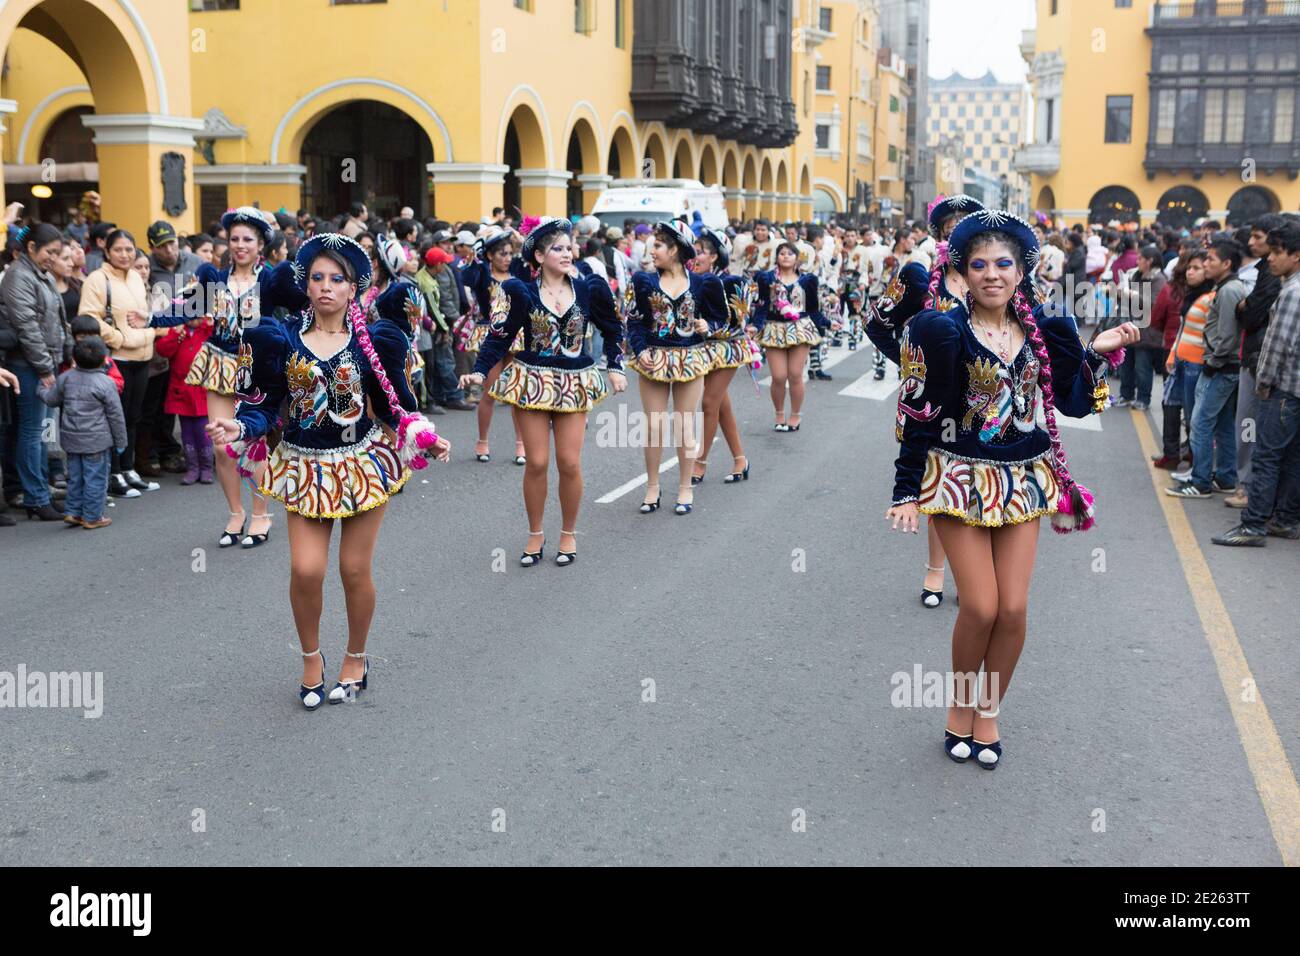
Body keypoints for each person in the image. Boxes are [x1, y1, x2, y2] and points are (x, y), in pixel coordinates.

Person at [885, 209, 1139, 770]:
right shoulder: (942, 330)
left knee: (1015, 609)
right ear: (963, 273)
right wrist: (906, 491)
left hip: (1024, 479)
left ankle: (988, 711)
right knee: (979, 605)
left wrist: (1100, 351)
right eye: (979, 265)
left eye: (1003, 263)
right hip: (958, 478)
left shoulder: (1050, 332)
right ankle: (958, 708)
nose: (992, 274)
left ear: (1022, 271)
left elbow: (1072, 403)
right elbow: (921, 415)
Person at [207, 236, 449, 709]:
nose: (325, 287)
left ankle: (356, 657)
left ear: (354, 288)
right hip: (303, 467)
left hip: (361, 464)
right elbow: (265, 408)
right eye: (317, 278)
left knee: (354, 569)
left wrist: (422, 435)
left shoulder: (373, 342)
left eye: (336, 279)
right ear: (305, 284)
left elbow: (393, 406)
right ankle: (311, 659)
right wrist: (237, 425)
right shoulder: (280, 340)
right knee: (305, 569)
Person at [459, 217, 625, 564]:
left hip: (574, 381)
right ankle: (535, 534)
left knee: (569, 462)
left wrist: (614, 366)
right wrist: (478, 371)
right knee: (536, 462)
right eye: (557, 248)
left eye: (569, 247)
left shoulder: (589, 288)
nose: (567, 253)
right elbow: (500, 335)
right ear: (538, 255)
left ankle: (568, 534)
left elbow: (612, 329)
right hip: (533, 380)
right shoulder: (521, 291)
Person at [624, 219, 725, 516]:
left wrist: (710, 325)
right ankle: (652, 486)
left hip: (689, 357)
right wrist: (640, 350)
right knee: (654, 426)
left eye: (657, 245)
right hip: (654, 357)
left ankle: (685, 487)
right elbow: (635, 321)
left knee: (684, 426)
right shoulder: (644, 281)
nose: (651, 250)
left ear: (676, 250)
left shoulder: (704, 283)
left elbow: (721, 317)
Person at [1213, 221, 1300, 545]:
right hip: (1294, 390)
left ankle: (1253, 526)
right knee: (1291, 458)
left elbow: (1277, 346)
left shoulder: (1291, 292)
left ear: (1296, 256)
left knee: (1266, 456)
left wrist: (1264, 383)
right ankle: (1285, 520)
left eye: (1278, 252)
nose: (1271, 259)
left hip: (1283, 391)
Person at [1166, 239, 1247, 499]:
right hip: (1221, 366)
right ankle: (1224, 477)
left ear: (1226, 263)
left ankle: (1200, 481)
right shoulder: (1225, 288)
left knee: (1200, 423)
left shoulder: (1227, 291)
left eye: (1211, 260)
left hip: (1220, 368)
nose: (1206, 263)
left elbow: (1226, 336)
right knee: (1222, 425)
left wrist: (1212, 363)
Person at [0, 223, 67, 519]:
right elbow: (27, 326)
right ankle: (36, 498)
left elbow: (56, 318)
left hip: (44, 361)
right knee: (31, 431)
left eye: (57, 253)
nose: (53, 258)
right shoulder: (18, 276)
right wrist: (44, 367)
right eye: (49, 252)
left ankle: (41, 492)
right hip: (27, 364)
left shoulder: (40, 274)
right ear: (31, 248)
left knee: (39, 431)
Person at [1227, 214, 1286, 509]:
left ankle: (1249, 489)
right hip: (1254, 359)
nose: (1250, 243)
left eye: (1259, 238)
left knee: (1254, 429)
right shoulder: (1266, 270)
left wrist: (1244, 307)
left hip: (1262, 364)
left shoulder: (1276, 278)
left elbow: (1251, 315)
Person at [37, 335, 125, 529]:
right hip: (97, 440)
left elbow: (51, 399)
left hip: (71, 438)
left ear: (74, 359)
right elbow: (116, 416)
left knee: (76, 476)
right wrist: (121, 442)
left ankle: (73, 512)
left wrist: (40, 389)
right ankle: (92, 516)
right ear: (104, 359)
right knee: (96, 478)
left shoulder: (65, 377)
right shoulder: (106, 383)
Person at [690, 225, 752, 486]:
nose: (693, 258)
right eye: (691, 252)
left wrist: (711, 327)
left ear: (714, 256)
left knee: (709, 403)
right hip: (703, 350)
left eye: (699, 253)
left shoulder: (734, 282)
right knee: (720, 405)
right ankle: (740, 459)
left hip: (728, 348)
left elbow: (739, 323)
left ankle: (700, 460)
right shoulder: (689, 280)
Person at [459, 227, 526, 464]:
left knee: (516, 392)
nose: (507, 258)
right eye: (502, 254)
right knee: (490, 391)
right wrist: (476, 254)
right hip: (490, 334)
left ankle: (520, 445)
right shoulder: (481, 274)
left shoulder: (517, 272)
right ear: (490, 256)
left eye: (509, 253)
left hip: (516, 335)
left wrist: (522, 241)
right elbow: (464, 276)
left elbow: (533, 264)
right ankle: (483, 441)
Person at [752, 241, 834, 433]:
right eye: (782, 253)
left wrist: (828, 323)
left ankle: (795, 414)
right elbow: (762, 306)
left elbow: (814, 310)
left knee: (795, 375)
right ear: (777, 258)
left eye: (790, 253)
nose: (786, 256)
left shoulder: (808, 280)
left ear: (797, 258)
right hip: (774, 329)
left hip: (800, 329)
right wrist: (754, 326)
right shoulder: (767, 279)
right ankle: (779, 413)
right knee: (779, 376)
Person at [153, 310, 213, 485]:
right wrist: (175, 333)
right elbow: (163, 350)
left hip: (202, 389)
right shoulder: (179, 332)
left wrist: (210, 326)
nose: (194, 319)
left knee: (204, 432)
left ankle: (207, 467)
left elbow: (221, 344)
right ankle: (192, 468)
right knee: (187, 433)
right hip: (182, 390)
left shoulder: (208, 330)